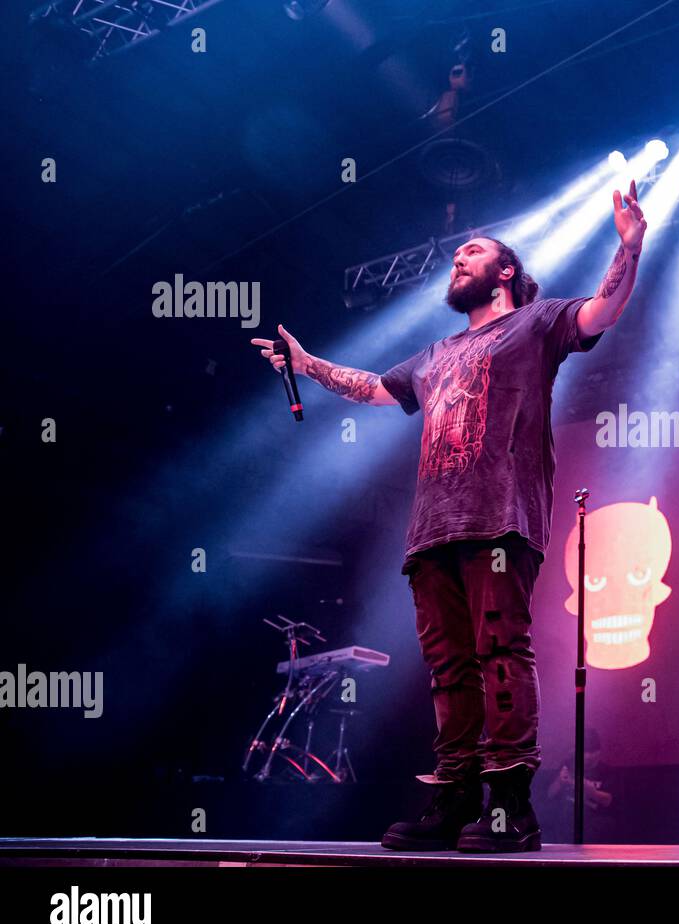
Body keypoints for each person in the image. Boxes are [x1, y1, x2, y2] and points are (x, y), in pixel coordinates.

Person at [251, 181, 647, 852]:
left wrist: (630, 247)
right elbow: (374, 388)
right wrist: (308, 363)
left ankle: (511, 810)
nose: (459, 256)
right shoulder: (433, 358)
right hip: (433, 529)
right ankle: (455, 799)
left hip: (499, 521)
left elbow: (603, 311)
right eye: (458, 252)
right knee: (448, 669)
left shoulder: (536, 322)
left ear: (506, 272)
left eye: (475, 250)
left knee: (500, 653)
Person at [546, 728, 620, 843]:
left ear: (599, 751)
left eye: (592, 751)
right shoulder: (567, 766)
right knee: (560, 816)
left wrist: (586, 788)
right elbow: (550, 794)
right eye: (585, 751)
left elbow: (608, 800)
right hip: (567, 821)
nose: (588, 756)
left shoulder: (607, 771)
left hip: (595, 821)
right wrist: (559, 782)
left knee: (600, 824)